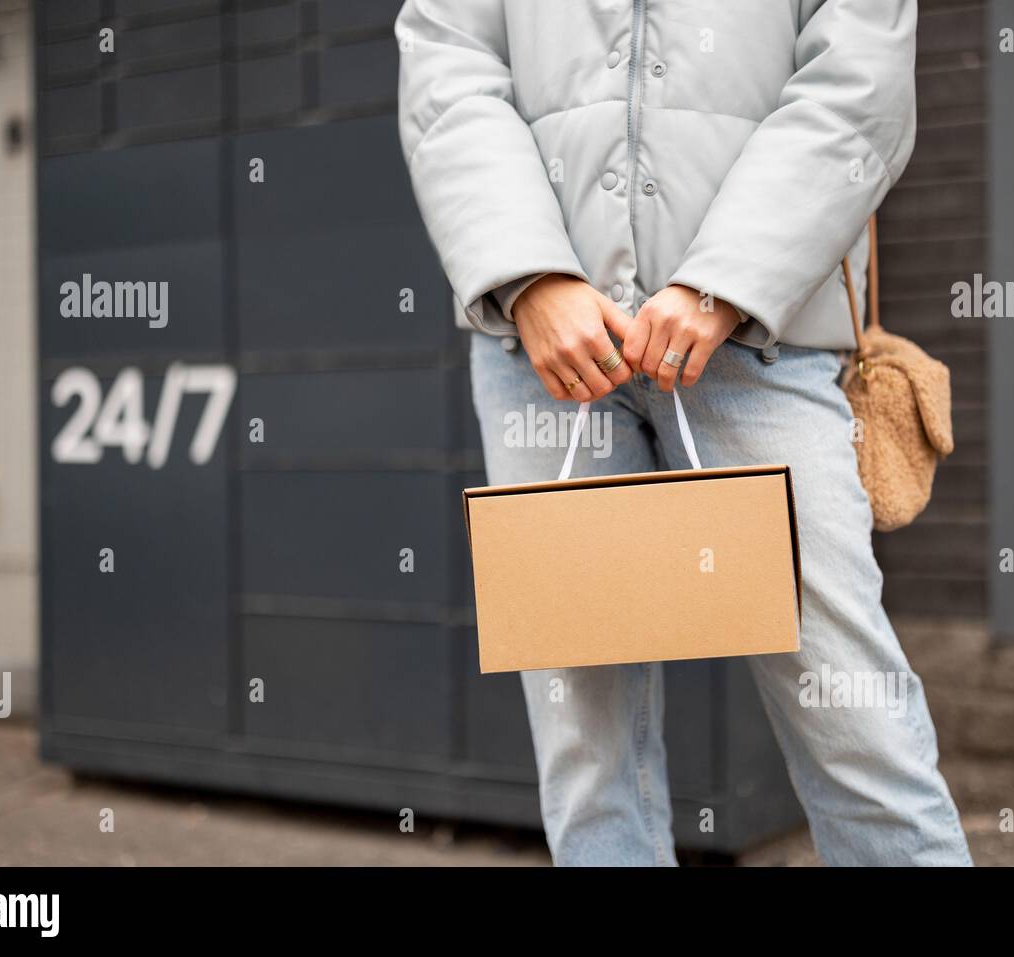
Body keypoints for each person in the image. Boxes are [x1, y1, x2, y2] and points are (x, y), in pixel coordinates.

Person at [395, 0, 972, 866]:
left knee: (853, 716)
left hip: (755, 343)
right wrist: (529, 275)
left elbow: (859, 82)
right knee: (587, 749)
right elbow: (448, 64)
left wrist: (724, 280)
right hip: (546, 356)